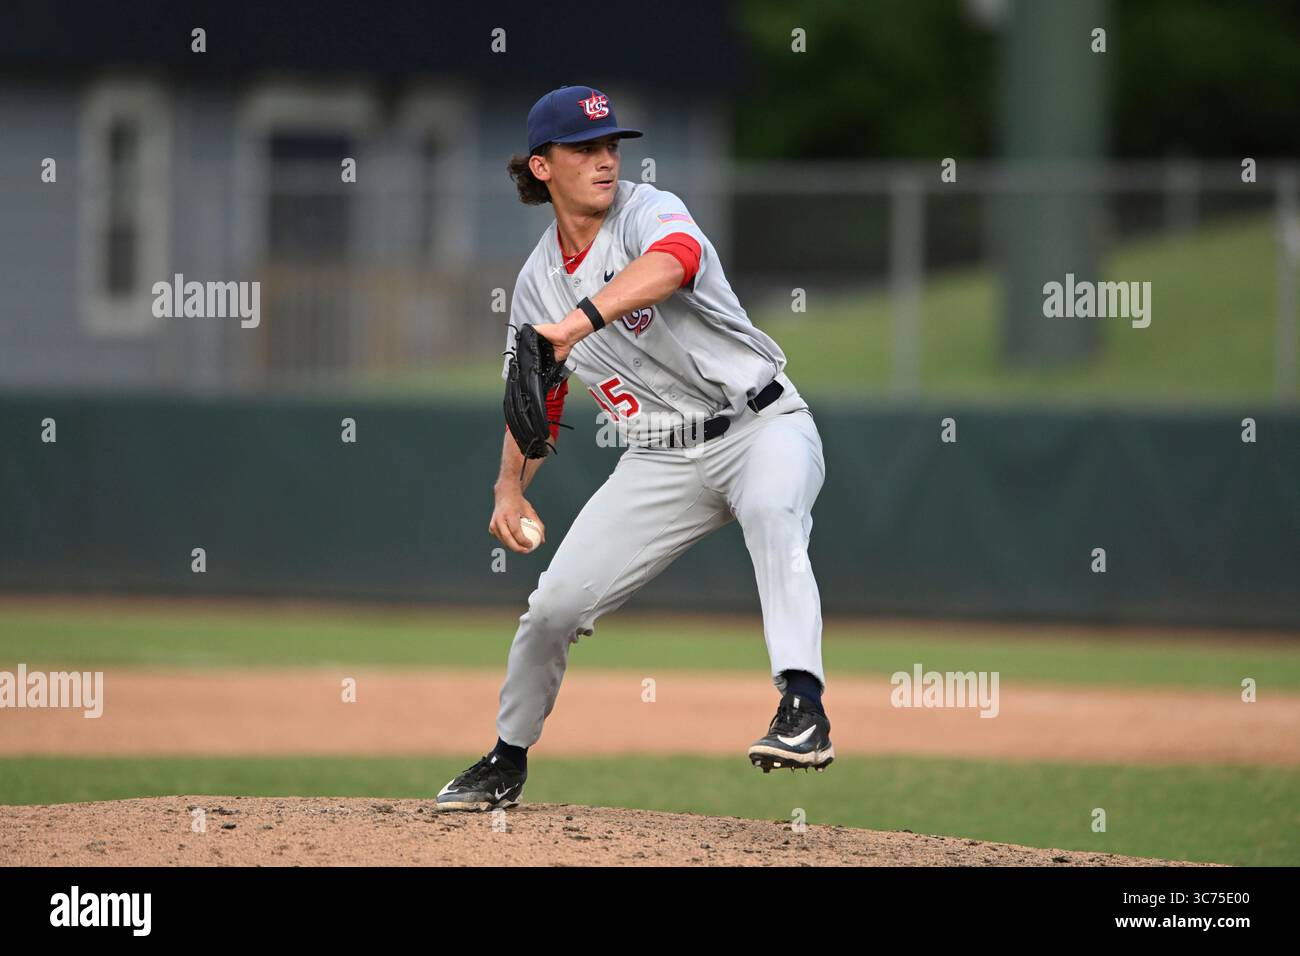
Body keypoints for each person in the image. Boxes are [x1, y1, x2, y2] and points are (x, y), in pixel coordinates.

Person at [435, 86, 832, 811]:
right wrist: (509, 489)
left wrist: (578, 321)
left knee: (776, 514)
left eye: (612, 144)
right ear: (542, 166)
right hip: (660, 458)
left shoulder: (648, 209)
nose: (606, 159)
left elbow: (676, 260)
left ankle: (802, 708)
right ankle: (506, 757)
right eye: (585, 148)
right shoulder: (535, 285)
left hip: (762, 424)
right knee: (552, 605)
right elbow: (536, 400)